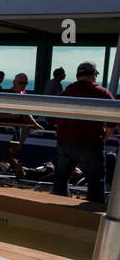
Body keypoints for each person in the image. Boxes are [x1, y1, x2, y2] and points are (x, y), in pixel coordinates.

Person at [50, 61, 117, 202]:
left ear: (77, 75)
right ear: (94, 74)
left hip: (65, 143)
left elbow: (51, 119)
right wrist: (104, 138)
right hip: (90, 143)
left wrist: (65, 129)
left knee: (61, 179)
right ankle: (91, 219)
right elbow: (114, 119)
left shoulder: (65, 93)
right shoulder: (102, 93)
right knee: (95, 182)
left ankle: (58, 211)